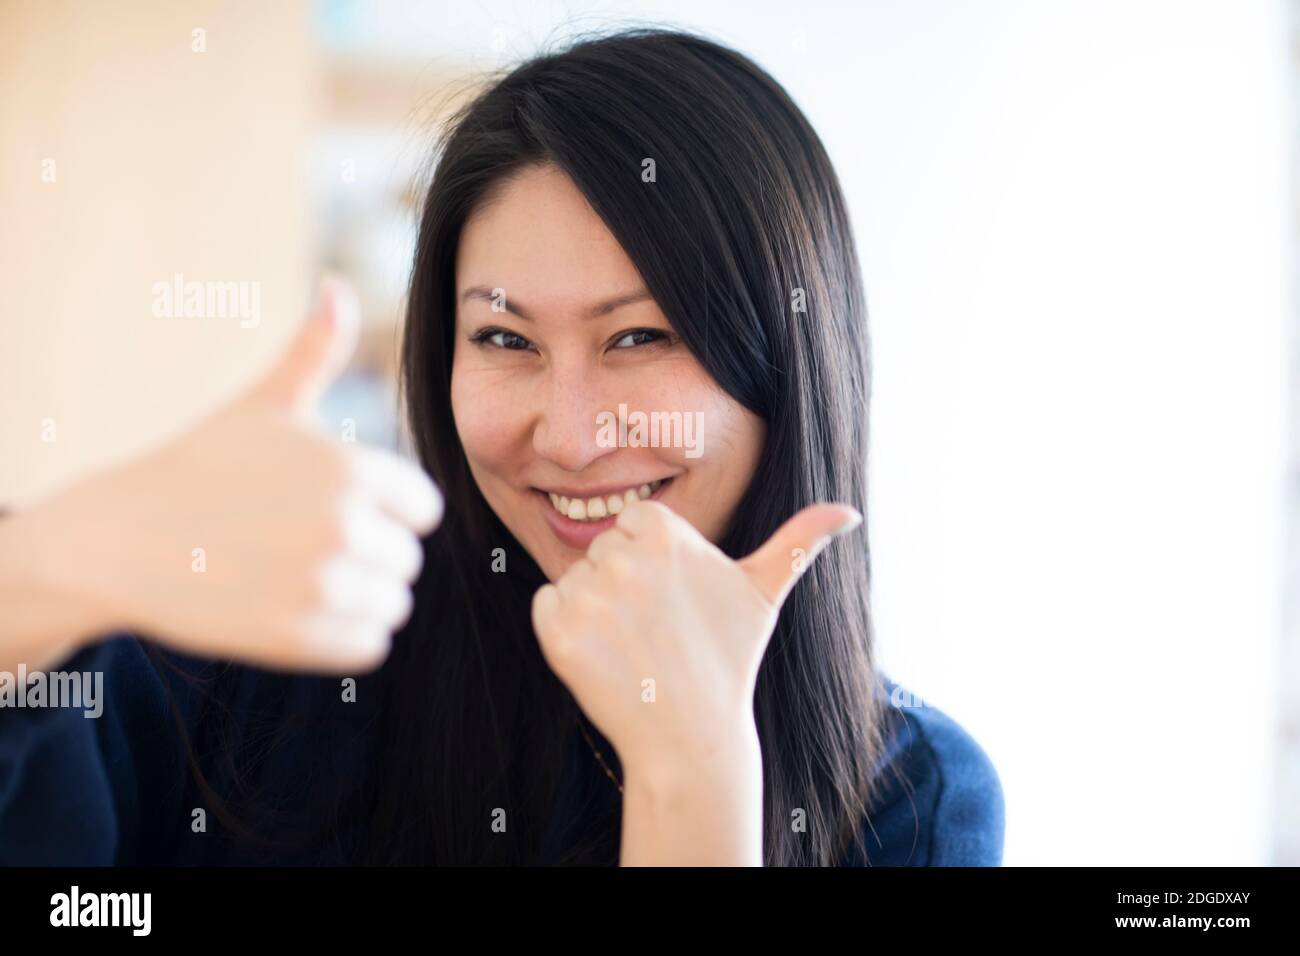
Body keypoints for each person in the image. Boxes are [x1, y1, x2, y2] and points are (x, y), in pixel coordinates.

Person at [0, 28, 1003, 866]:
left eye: (639, 337)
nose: (567, 437)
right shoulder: (291, 641)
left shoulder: (915, 801)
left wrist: (691, 776)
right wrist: (48, 562)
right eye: (504, 339)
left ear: (785, 362)